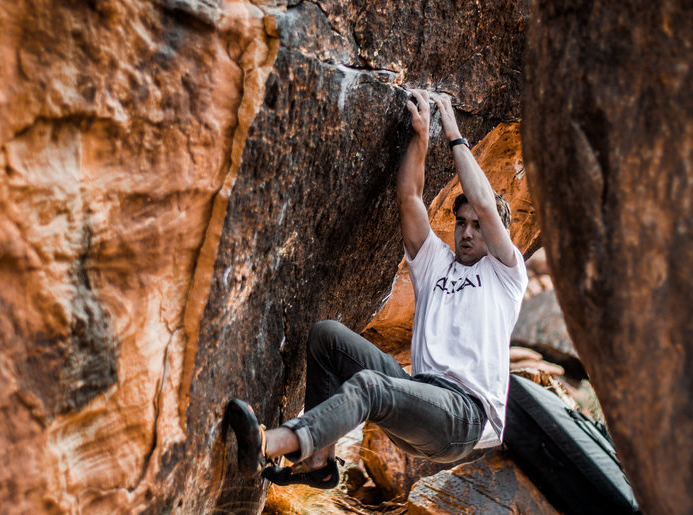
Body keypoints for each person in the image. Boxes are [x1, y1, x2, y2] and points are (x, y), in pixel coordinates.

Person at [226, 89, 528, 489]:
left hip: (464, 415)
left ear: (495, 233)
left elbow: (486, 204)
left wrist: (452, 129)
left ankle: (271, 444)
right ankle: (318, 461)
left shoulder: (506, 274)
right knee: (327, 338)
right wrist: (421, 137)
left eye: (477, 225)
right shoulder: (436, 263)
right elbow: (409, 198)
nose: (467, 232)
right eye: (461, 222)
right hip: (419, 396)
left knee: (371, 388)